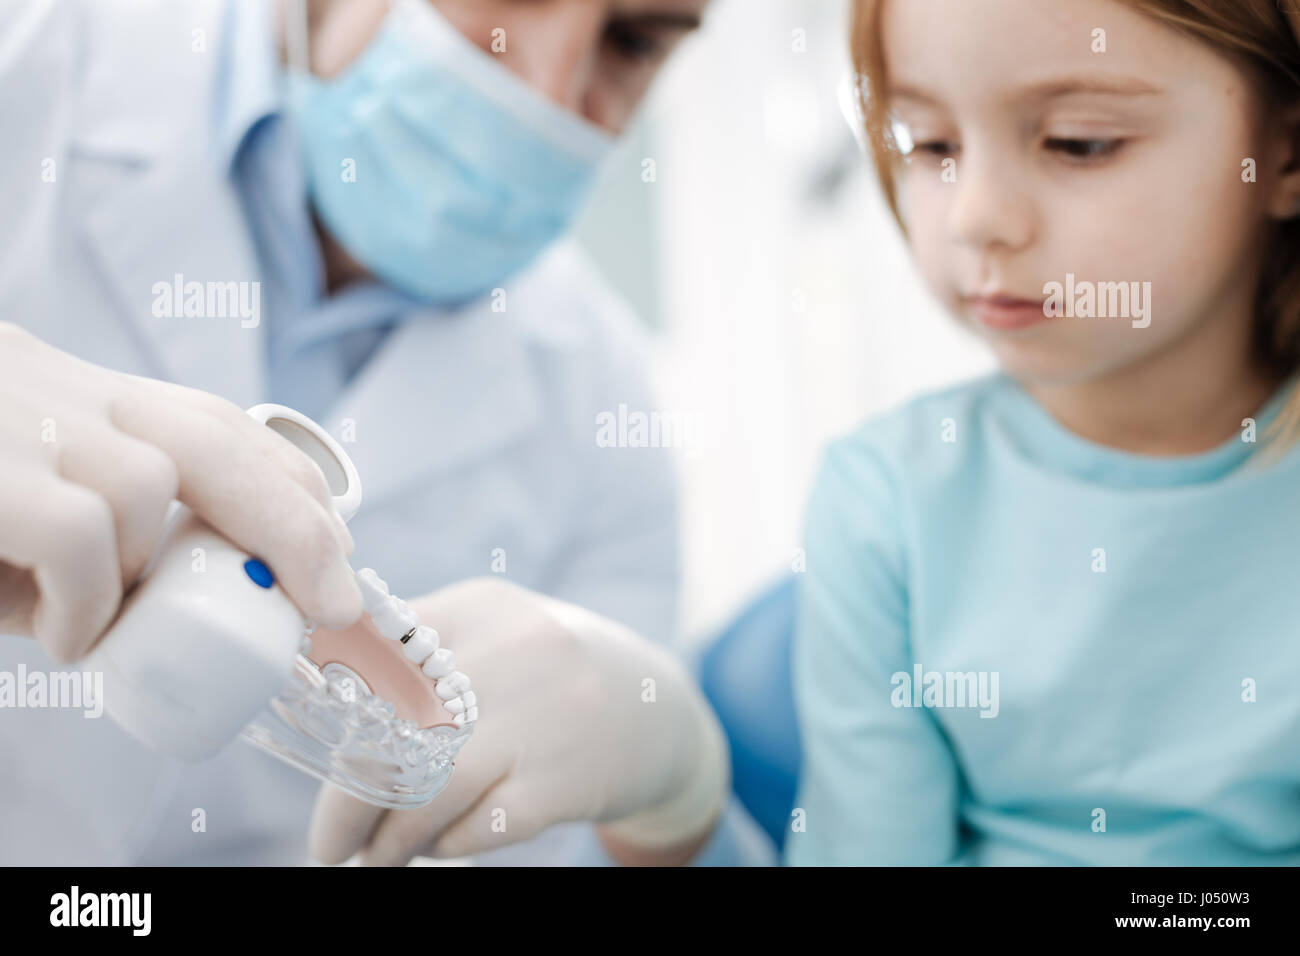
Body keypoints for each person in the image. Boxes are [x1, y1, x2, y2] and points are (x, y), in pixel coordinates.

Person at [0, 0, 771, 866]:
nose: (549, 91)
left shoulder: (610, 419)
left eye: (631, 43)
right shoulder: (26, 60)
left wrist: (673, 800)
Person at [788, 0, 1300, 864]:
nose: (976, 218)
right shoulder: (884, 503)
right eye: (930, 144)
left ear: (1285, 151)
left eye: (1078, 142)